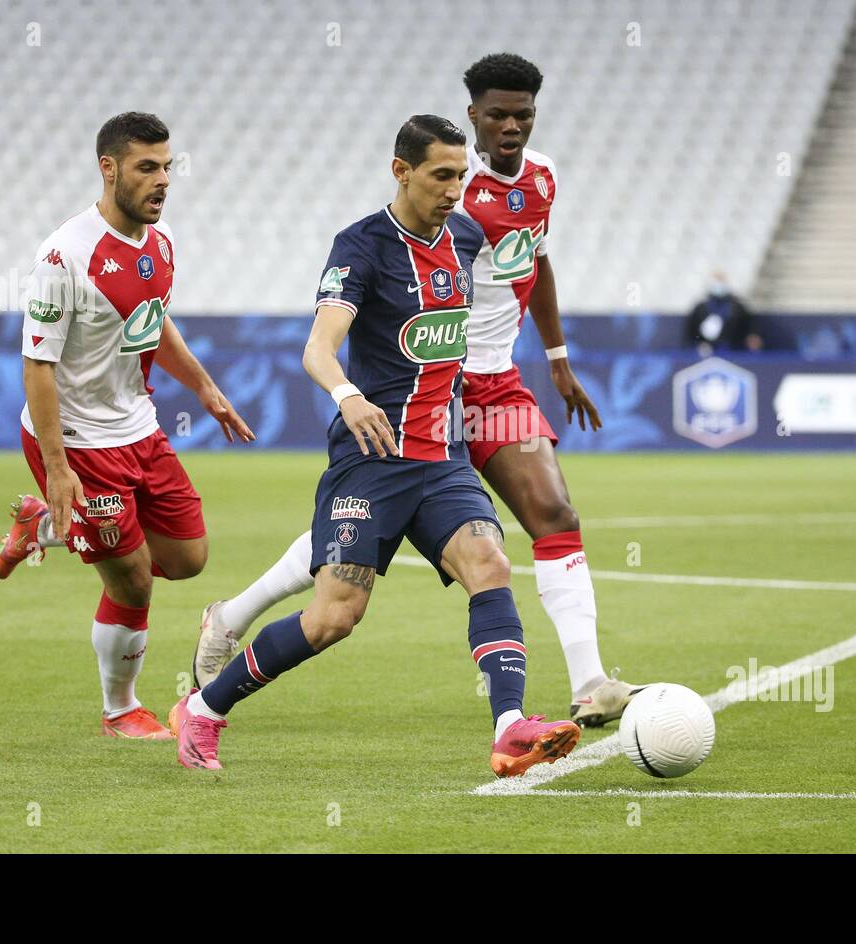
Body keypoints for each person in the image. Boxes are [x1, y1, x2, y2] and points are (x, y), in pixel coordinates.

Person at [189, 53, 647, 728]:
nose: (511, 127)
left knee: (543, 520)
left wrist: (556, 354)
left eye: (523, 114)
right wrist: (348, 391)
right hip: (412, 401)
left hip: (482, 389)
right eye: (498, 114)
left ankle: (576, 689)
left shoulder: (532, 185)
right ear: (472, 117)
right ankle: (229, 629)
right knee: (346, 576)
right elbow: (324, 341)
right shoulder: (395, 226)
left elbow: (537, 264)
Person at [0, 112, 253, 739]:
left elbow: (152, 323)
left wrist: (205, 388)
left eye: (167, 167)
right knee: (133, 578)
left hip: (139, 426)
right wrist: (57, 467)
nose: (163, 180)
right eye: (146, 168)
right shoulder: (63, 256)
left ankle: (48, 527)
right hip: (77, 440)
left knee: (188, 557)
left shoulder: (161, 245)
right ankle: (120, 709)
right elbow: (37, 364)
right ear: (108, 168)